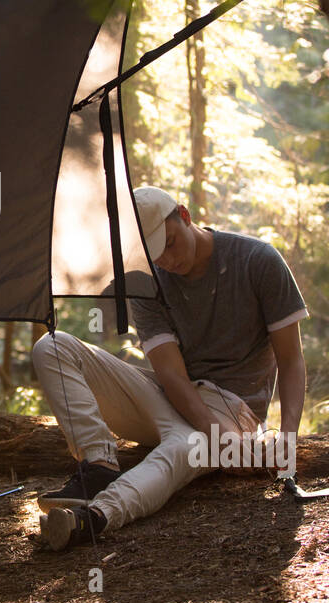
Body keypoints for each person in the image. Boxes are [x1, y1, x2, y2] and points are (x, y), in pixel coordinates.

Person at [31, 185, 309, 550]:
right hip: (171, 395)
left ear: (185, 215)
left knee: (184, 447)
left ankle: (94, 518)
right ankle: (99, 464)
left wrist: (286, 438)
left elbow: (290, 360)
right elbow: (172, 376)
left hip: (232, 409)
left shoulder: (258, 260)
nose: (166, 260)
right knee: (51, 345)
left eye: (170, 243)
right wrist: (215, 436)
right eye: (154, 255)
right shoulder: (146, 282)